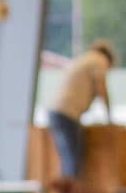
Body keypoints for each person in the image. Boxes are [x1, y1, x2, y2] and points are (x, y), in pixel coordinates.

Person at [47, 39, 115, 178]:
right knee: (73, 160)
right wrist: (109, 117)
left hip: (56, 111)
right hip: (67, 113)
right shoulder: (99, 60)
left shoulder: (84, 59)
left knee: (68, 159)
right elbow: (101, 88)